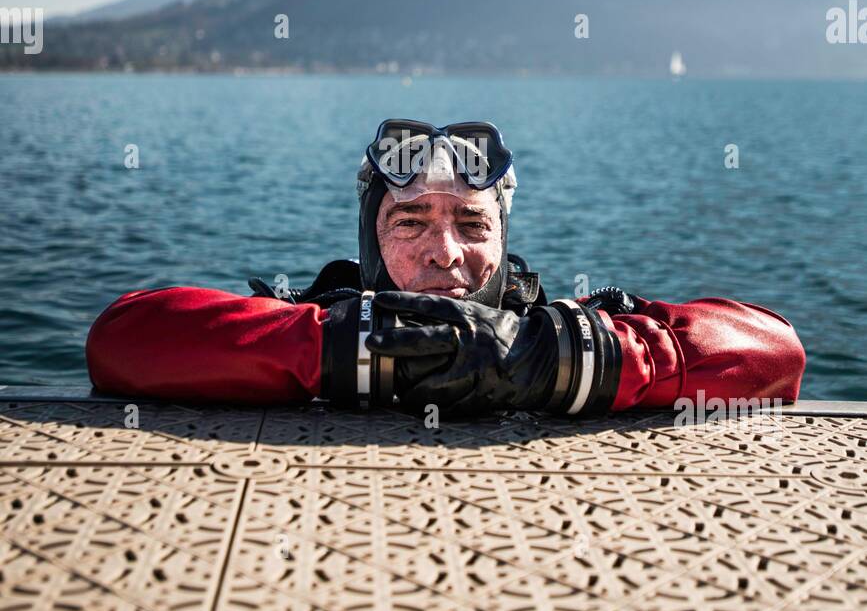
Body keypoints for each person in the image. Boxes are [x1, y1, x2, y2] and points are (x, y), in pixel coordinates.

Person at [86, 118, 806, 418]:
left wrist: (533, 359)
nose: (445, 252)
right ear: (369, 238)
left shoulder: (558, 331)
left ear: (502, 237)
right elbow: (122, 339)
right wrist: (339, 347)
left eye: (471, 224)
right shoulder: (316, 318)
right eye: (410, 223)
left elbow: (775, 358)